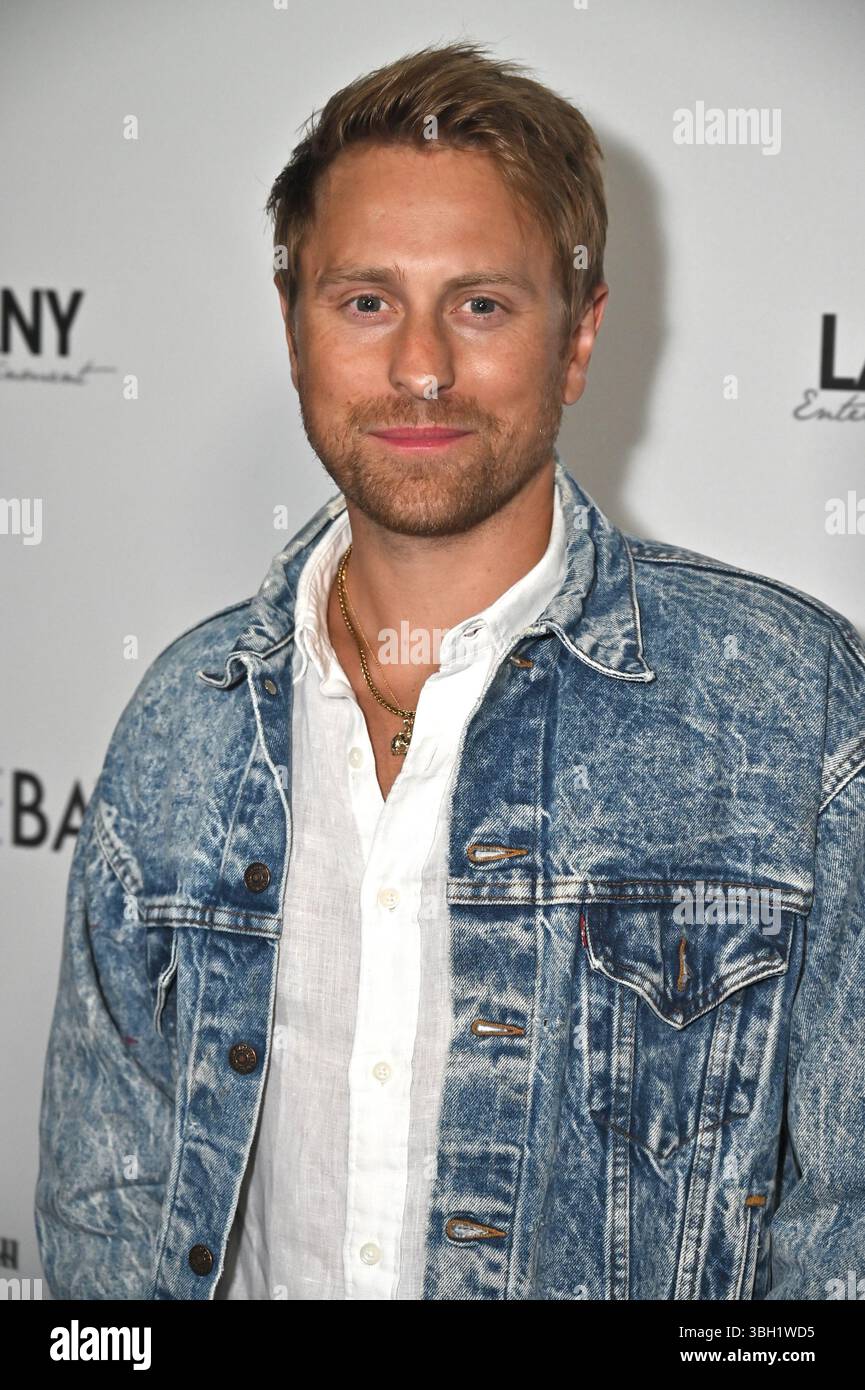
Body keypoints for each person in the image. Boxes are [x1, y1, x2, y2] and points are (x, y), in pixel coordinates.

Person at [35, 39, 865, 1301]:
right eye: (366, 300)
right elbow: (106, 1231)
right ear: (296, 327)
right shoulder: (184, 725)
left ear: (577, 338)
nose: (420, 366)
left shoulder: (789, 709)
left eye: (480, 304)